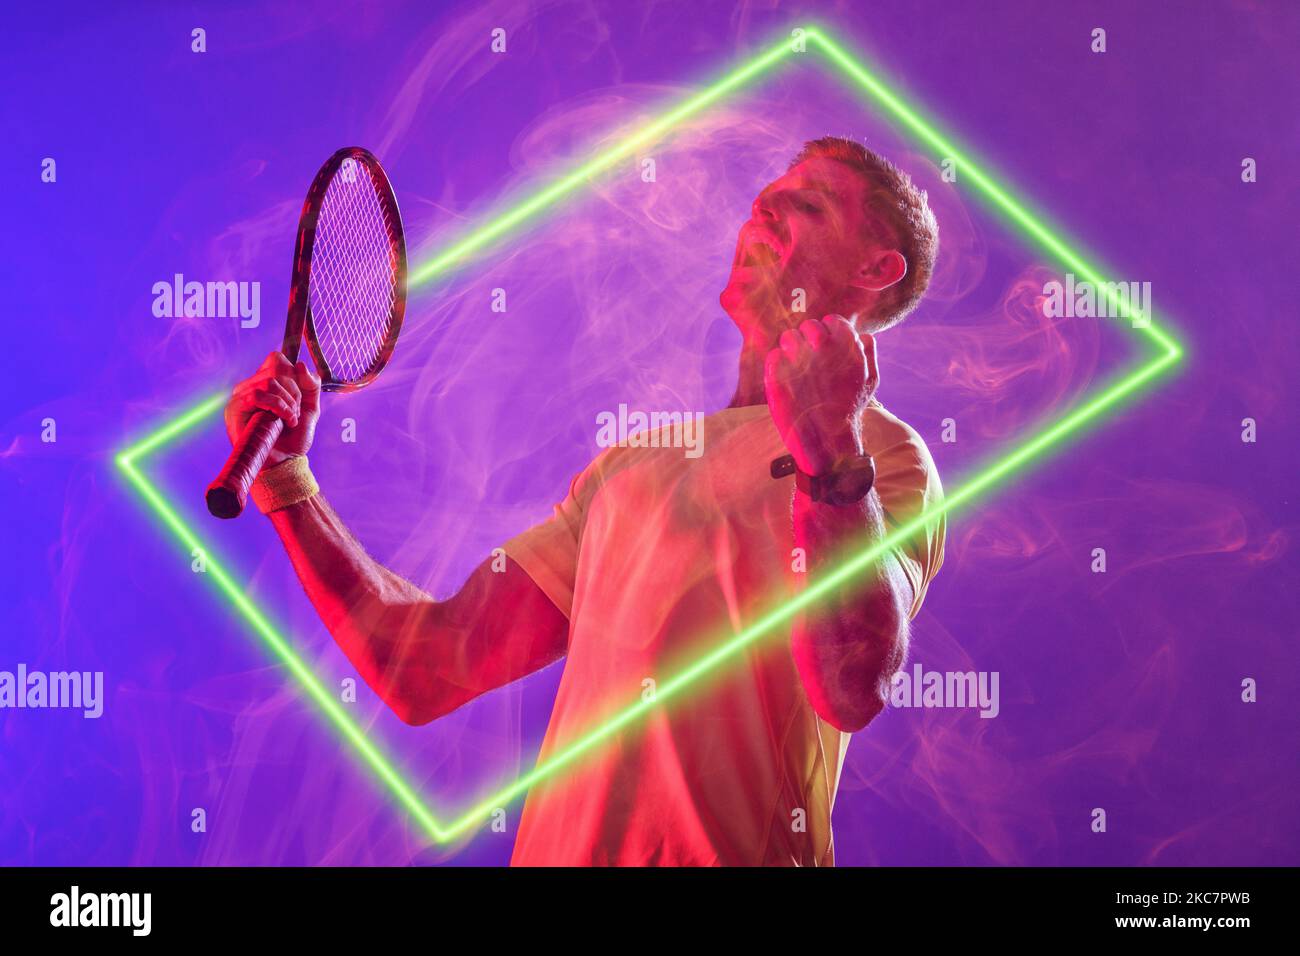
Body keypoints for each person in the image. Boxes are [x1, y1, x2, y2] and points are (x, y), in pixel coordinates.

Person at [223, 135, 945, 866]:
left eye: (810, 204)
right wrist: (287, 483)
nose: (765, 205)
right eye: (769, 196)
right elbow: (427, 669)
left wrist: (831, 452)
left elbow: (854, 686)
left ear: (876, 270)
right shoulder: (631, 466)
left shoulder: (883, 456)